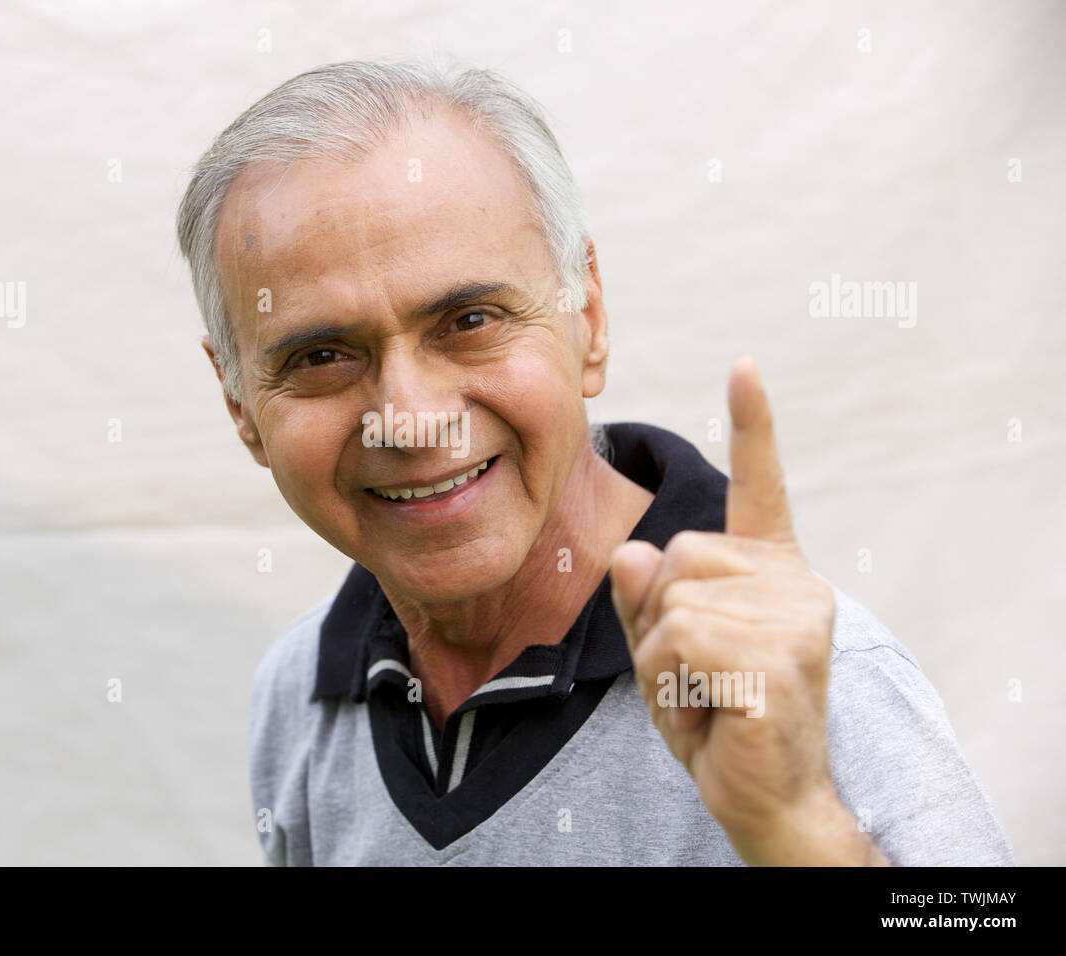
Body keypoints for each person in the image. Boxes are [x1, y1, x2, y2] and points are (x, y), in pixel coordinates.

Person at [175, 58, 1016, 865]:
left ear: (591, 317)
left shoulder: (807, 687)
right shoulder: (299, 695)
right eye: (322, 355)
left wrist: (800, 833)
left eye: (470, 320)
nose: (412, 419)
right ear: (240, 401)